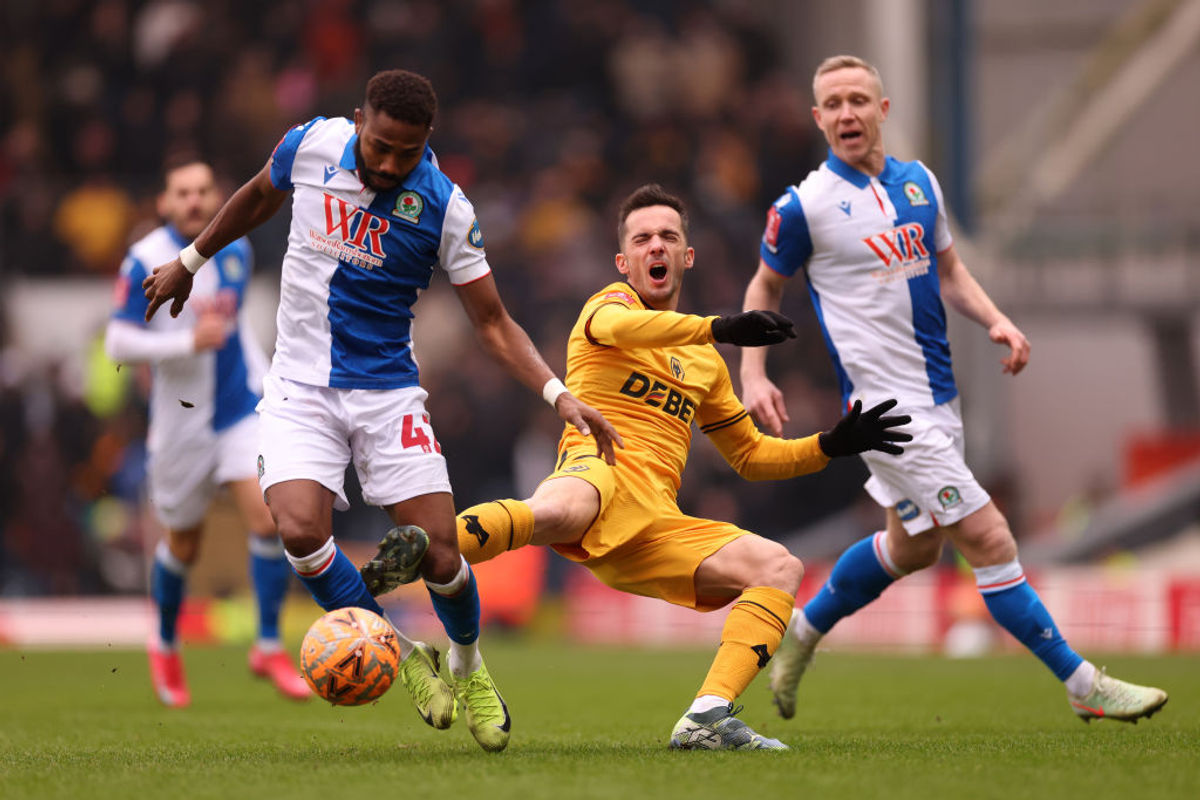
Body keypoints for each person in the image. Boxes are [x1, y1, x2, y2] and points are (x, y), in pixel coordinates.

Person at [141, 70, 621, 752]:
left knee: (441, 552)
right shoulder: (310, 145)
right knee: (300, 530)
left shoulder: (446, 208)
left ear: (429, 141)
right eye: (382, 147)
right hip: (299, 389)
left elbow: (492, 322)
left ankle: (468, 666)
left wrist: (560, 394)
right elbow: (256, 197)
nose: (392, 164)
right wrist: (191, 258)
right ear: (358, 119)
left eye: (410, 151)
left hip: (387, 392)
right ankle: (402, 654)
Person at [361, 183, 911, 750]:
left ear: (686, 255)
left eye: (669, 237)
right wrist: (718, 327)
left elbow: (750, 456)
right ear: (624, 261)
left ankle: (707, 717)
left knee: (779, 567)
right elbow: (630, 331)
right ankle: (431, 549)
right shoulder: (608, 308)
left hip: (655, 523)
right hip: (594, 469)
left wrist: (830, 445)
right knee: (567, 505)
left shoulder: (704, 362)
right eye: (642, 238)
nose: (656, 247)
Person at [740, 54, 1168, 724]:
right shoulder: (804, 207)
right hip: (882, 412)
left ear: (883, 111)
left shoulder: (920, 186)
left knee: (913, 547)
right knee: (991, 539)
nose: (847, 112)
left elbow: (949, 271)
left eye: (859, 99)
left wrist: (997, 319)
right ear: (818, 118)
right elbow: (765, 289)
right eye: (833, 103)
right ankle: (1083, 685)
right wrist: (753, 371)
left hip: (939, 398)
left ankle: (802, 632)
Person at [106, 158, 310, 708]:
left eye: (203, 191)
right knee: (184, 545)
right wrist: (185, 345)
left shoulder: (235, 248)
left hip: (238, 411)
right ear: (165, 203)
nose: (195, 201)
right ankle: (165, 644)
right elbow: (118, 343)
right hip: (180, 424)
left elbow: (234, 328)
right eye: (183, 193)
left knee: (270, 520)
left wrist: (269, 384)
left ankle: (268, 645)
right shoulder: (145, 259)